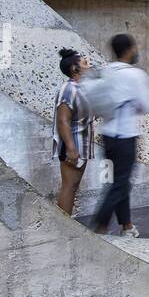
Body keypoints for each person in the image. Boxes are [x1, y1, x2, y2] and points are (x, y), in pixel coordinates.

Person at [89, 33, 149, 238]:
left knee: (118, 182)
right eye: (134, 48)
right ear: (129, 50)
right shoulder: (135, 75)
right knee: (120, 183)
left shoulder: (106, 71)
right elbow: (147, 106)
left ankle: (126, 226)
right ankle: (99, 227)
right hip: (126, 135)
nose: (136, 51)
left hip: (107, 135)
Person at [52, 47, 94, 216]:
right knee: (69, 187)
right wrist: (71, 148)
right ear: (75, 69)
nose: (89, 64)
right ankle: (62, 227)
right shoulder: (68, 89)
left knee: (73, 186)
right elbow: (63, 120)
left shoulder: (80, 89)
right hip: (73, 148)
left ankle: (66, 224)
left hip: (81, 146)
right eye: (85, 62)